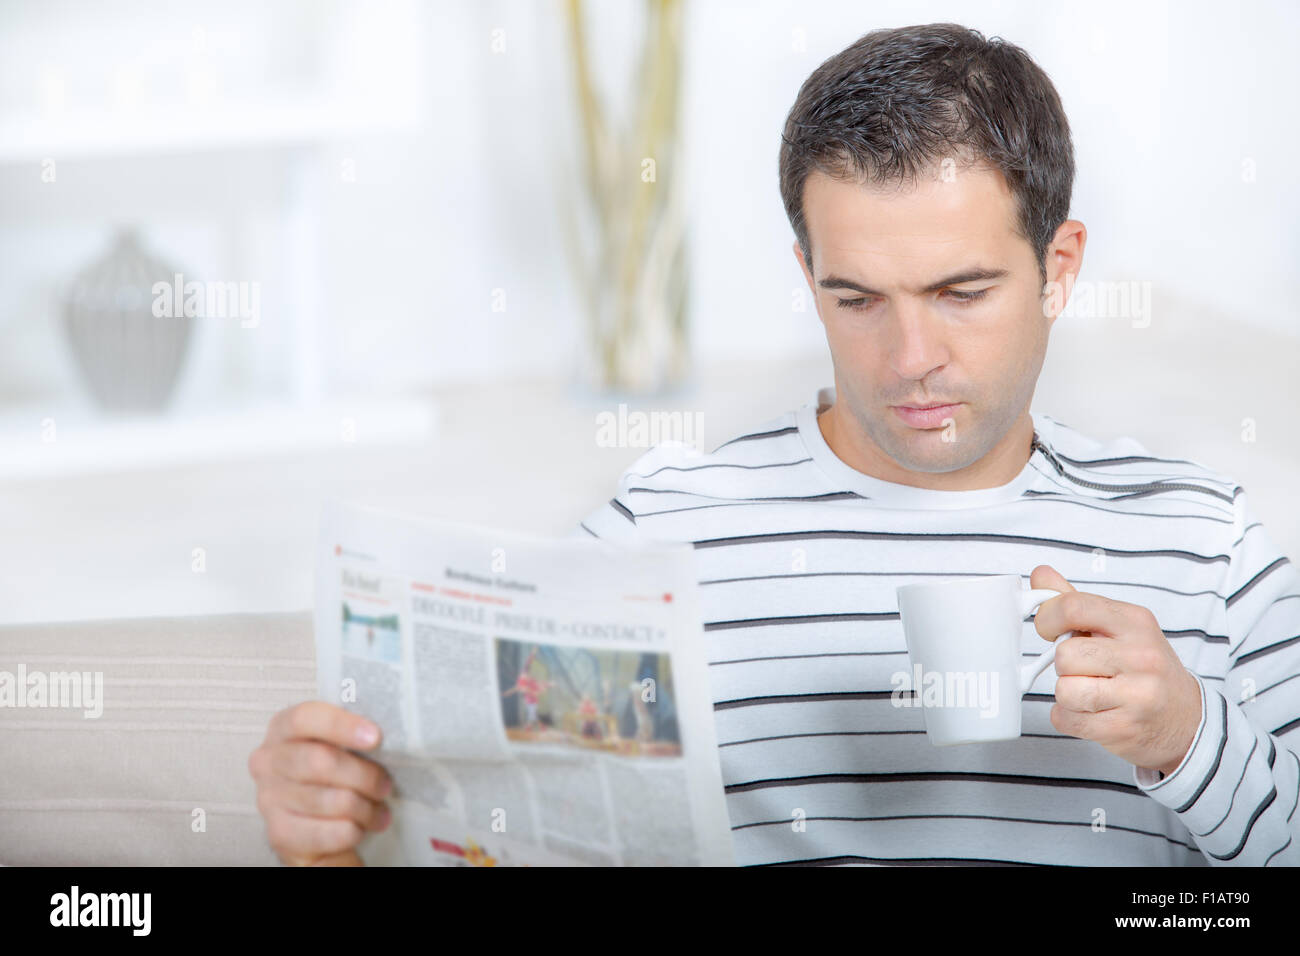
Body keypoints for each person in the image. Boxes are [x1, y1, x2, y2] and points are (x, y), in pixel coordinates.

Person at [248, 22, 1300, 866]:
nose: (909, 357)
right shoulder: (656, 535)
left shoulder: (1203, 539)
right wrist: (341, 834)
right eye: (856, 298)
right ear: (808, 278)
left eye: (961, 292)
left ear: (1059, 267)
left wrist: (1186, 740)